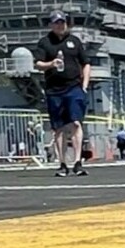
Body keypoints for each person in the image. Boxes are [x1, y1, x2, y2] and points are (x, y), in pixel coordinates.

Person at [31, 11, 91, 176]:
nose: (60, 25)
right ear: (51, 25)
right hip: (54, 90)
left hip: (74, 88)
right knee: (58, 128)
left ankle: (78, 162)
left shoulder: (75, 41)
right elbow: (37, 64)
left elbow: (86, 63)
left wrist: (84, 85)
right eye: (57, 22)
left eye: (62, 22)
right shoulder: (45, 43)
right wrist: (51, 64)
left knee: (76, 123)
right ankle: (62, 163)